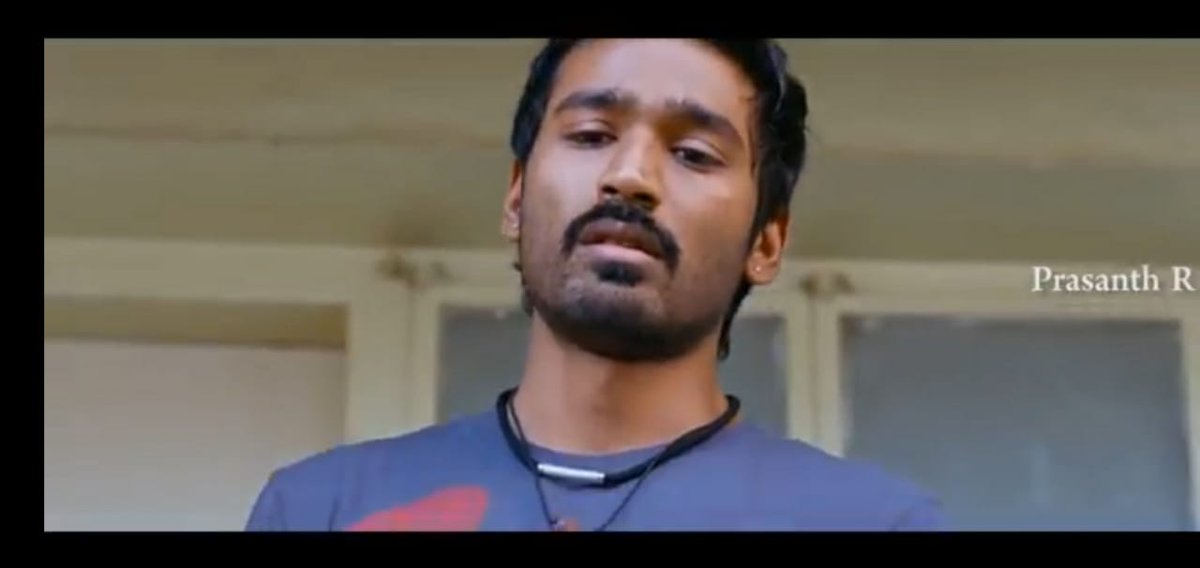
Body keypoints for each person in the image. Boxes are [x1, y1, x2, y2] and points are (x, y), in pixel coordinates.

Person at [245, 38, 945, 532]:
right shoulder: (322, 510)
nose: (630, 176)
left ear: (766, 242)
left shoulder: (873, 522)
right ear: (516, 198)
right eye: (589, 135)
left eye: (693, 153)